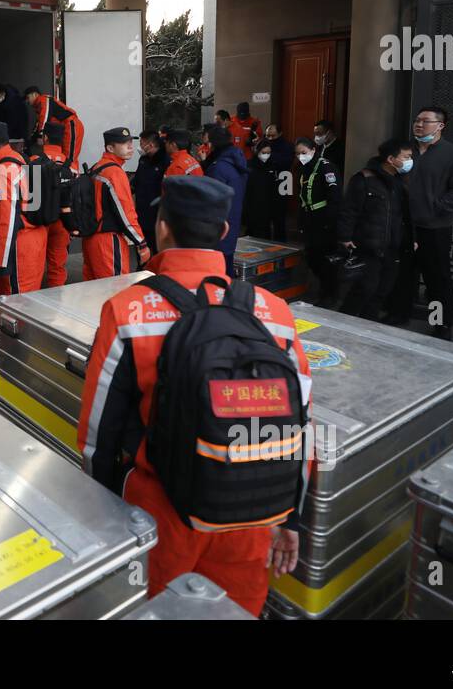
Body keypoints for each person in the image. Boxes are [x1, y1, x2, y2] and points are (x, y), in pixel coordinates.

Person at [77, 175, 311, 615]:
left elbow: (98, 433)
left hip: (161, 512)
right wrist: (290, 517)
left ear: (161, 228)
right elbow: (302, 421)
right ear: (224, 232)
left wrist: (103, 515)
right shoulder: (274, 311)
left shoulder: (127, 310)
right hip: (252, 512)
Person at [396, 106, 453, 340]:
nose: (419, 124)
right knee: (401, 273)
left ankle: (441, 323)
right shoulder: (405, 150)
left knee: (436, 278)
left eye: (425, 121)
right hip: (403, 225)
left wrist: (436, 207)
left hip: (434, 228)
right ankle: (398, 314)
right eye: (417, 120)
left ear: (440, 126)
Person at [336, 139, 414, 321]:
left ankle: (368, 325)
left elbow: (405, 216)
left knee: (382, 290)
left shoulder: (401, 182)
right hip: (368, 244)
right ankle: (342, 322)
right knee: (364, 289)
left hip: (392, 246)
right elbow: (349, 210)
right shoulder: (364, 179)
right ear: (391, 158)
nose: (410, 160)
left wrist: (411, 239)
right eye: (406, 157)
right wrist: (344, 237)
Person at [0, 121, 46, 294]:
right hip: (36, 237)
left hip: (20, 243)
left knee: (19, 304)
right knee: (30, 297)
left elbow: (5, 221)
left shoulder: (2, 171)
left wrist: (1, 260)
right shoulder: (19, 158)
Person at [82, 127, 150, 280]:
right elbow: (126, 212)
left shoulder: (96, 167)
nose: (130, 146)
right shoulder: (114, 172)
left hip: (91, 238)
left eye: (131, 142)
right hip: (108, 241)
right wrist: (141, 242)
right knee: (114, 289)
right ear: (110, 148)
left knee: (93, 291)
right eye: (124, 143)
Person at [295, 135, 342, 306]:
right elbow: (302, 197)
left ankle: (329, 294)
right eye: (298, 154)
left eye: (304, 152)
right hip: (309, 218)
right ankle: (323, 290)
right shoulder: (303, 169)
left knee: (325, 259)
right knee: (312, 257)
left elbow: (335, 197)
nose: (301, 157)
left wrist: (329, 222)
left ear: (313, 150)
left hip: (323, 219)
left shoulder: (326, 167)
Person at [35, 122, 78, 286]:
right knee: (58, 266)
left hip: (39, 222)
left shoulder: (34, 160)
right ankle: (57, 301)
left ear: (45, 138)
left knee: (35, 266)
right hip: (63, 222)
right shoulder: (72, 165)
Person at [201, 124, 248, 274]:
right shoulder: (236, 160)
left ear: (213, 144)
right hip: (231, 222)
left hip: (218, 228)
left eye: (207, 143)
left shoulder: (219, 167)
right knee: (226, 264)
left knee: (219, 272)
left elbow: (210, 199)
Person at [24, 86, 84, 164]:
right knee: (66, 157)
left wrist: (40, 135)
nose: (27, 101)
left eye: (27, 97)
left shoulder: (44, 99)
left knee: (69, 158)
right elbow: (39, 125)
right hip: (67, 128)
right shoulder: (40, 109)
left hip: (72, 125)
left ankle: (71, 173)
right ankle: (66, 173)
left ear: (34, 94)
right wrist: (29, 142)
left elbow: (45, 117)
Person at [132, 129, 167, 255]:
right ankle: (142, 268)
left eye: (142, 143)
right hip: (142, 211)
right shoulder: (143, 160)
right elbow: (136, 180)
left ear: (150, 145)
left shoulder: (165, 161)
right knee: (141, 245)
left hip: (157, 212)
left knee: (157, 247)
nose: (140, 146)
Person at [244, 140, 284, 242]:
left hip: (267, 206)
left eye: (268, 153)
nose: (266, 155)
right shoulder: (248, 165)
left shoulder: (273, 166)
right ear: (257, 152)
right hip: (252, 205)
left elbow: (276, 188)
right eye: (263, 153)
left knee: (265, 234)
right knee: (252, 234)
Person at [0, 80, 30, 145]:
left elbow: (14, 122)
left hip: (17, 136)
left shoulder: (14, 103)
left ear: (3, 93)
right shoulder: (2, 102)